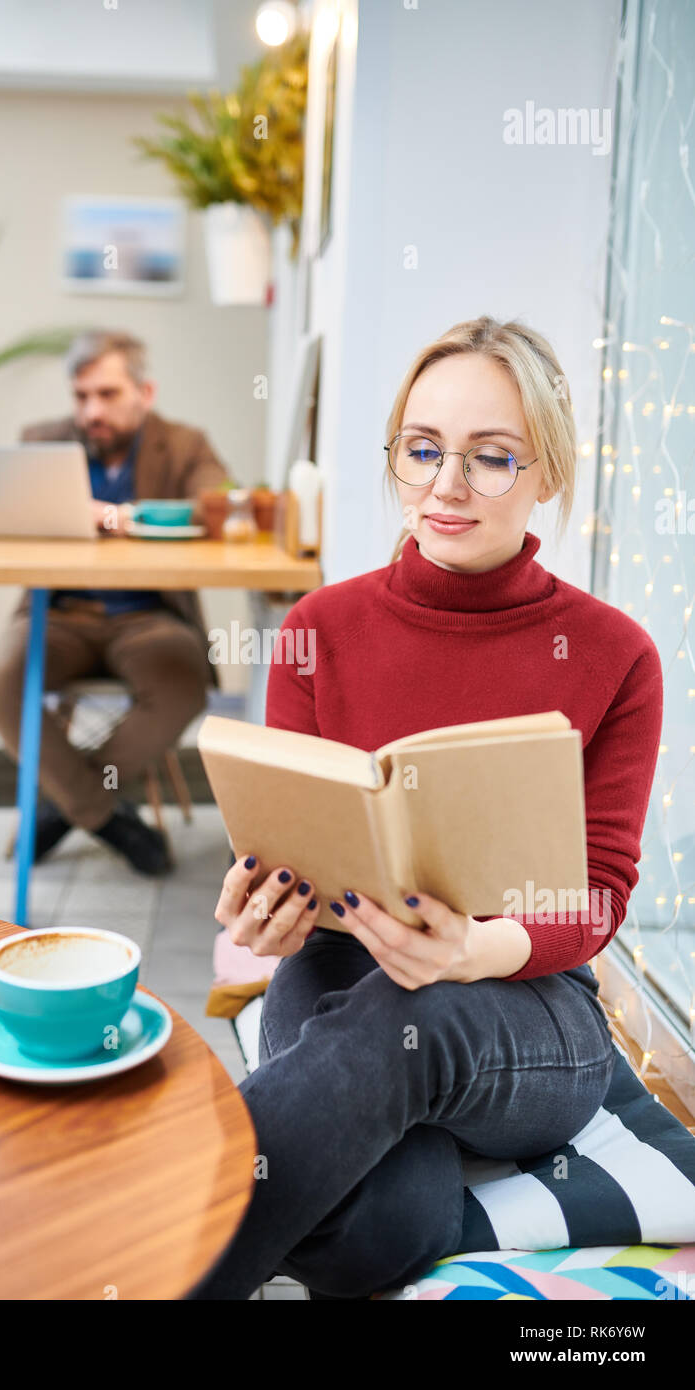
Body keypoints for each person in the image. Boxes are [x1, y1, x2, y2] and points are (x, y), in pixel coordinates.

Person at [185, 315, 664, 1299]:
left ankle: (150, 1254)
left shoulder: (614, 655)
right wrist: (264, 909)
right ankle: (370, 1170)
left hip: (525, 1004)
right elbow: (290, 849)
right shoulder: (319, 627)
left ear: (545, 471)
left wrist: (471, 951)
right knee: (381, 1228)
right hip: (334, 967)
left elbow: (599, 896)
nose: (444, 486)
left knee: (412, 1020)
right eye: (420, 450)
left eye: (489, 458)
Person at [0, 330, 230, 874]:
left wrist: (119, 516)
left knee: (182, 682)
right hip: (57, 612)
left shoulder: (185, 444)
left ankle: (63, 810)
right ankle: (106, 816)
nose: (92, 410)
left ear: (146, 391)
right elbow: (9, 516)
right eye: (81, 396)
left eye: (108, 394)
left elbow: (213, 505)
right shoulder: (41, 442)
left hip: (146, 616)